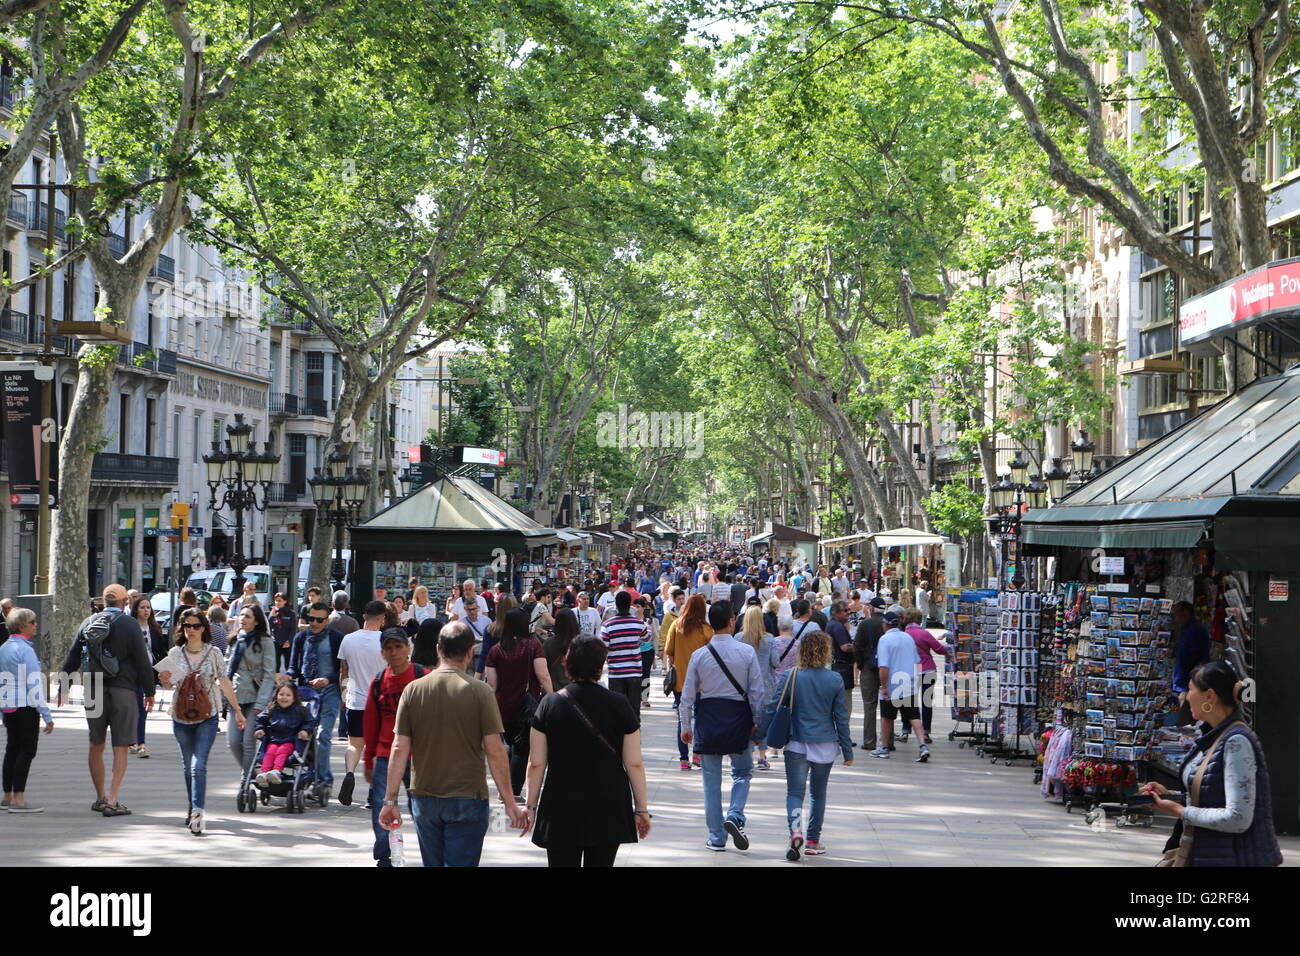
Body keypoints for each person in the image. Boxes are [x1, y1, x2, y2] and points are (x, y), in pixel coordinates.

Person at [380, 622, 528, 866]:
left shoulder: (413, 690)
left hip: (425, 797)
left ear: (438, 649)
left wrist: (390, 800)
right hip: (468, 796)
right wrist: (510, 803)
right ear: (470, 652)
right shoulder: (481, 692)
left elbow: (399, 748)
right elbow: (495, 751)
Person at [523, 636, 651, 866]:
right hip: (607, 803)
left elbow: (536, 763)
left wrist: (530, 806)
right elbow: (634, 763)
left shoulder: (550, 704)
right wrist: (641, 808)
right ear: (601, 665)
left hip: (561, 803)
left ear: (567, 663)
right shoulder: (620, 704)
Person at [1141, 661, 1283, 866]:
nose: (1187, 696)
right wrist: (1170, 798)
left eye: (1190, 690)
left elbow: (1238, 818)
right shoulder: (1214, 736)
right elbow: (1213, 796)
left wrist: (1180, 811)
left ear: (1209, 696)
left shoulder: (1236, 742)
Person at [59, 584, 155, 818]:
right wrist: (150, 691)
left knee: (96, 743)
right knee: (121, 745)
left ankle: (100, 797)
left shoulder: (87, 623)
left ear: (103, 602)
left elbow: (74, 656)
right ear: (125, 603)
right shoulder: (129, 624)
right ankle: (113, 800)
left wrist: (64, 686)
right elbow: (142, 661)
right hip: (123, 690)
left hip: (93, 689)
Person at [680, 601, 765, 852]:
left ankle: (716, 836)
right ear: (731, 621)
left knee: (710, 781)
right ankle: (735, 815)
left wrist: (685, 725)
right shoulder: (747, 653)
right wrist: (758, 724)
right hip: (738, 718)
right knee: (741, 773)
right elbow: (757, 692)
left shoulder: (699, 655)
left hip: (708, 718)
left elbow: (687, 697)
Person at [760, 630, 853, 860]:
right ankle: (812, 840)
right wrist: (848, 751)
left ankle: (795, 830)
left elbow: (773, 707)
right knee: (818, 794)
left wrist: (758, 735)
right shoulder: (834, 679)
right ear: (826, 652)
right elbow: (840, 717)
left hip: (796, 743)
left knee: (795, 792)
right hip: (825, 743)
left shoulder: (791, 675)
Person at [157, 608, 245, 835]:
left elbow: (224, 681)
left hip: (208, 715)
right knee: (188, 768)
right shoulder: (175, 654)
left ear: (204, 628)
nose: (192, 630)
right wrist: (164, 680)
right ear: (182, 628)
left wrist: (236, 710)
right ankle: (192, 805)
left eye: (196, 626)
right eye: (187, 626)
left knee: (199, 765)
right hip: (181, 716)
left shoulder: (213, 652)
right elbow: (170, 686)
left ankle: (198, 810)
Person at [362, 628, 427, 866]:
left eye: (398, 646)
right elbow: (370, 724)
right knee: (381, 805)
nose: (394, 652)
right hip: (384, 755)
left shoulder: (423, 676)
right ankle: (384, 856)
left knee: (420, 808)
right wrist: (368, 760)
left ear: (408, 648)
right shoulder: (378, 682)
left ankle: (429, 851)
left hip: (417, 756)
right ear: (382, 653)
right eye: (389, 648)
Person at [485, 608, 552, 797]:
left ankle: (504, 787)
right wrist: (552, 697)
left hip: (501, 705)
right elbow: (543, 675)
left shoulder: (495, 650)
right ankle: (513, 791)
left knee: (507, 746)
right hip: (526, 706)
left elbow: (492, 683)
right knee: (521, 749)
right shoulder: (533, 646)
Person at [286, 601, 346, 796]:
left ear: (327, 620)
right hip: (305, 693)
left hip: (329, 691)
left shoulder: (337, 638)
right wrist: (287, 676)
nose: (314, 623)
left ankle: (323, 780)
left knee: (322, 735)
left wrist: (327, 679)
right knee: (304, 735)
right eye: (311, 619)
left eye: (319, 620)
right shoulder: (301, 637)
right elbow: (293, 666)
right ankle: (310, 774)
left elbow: (342, 668)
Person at [1, 607, 54, 813]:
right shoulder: (26, 650)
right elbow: (34, 684)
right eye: (32, 622)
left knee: (12, 749)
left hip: (9, 706)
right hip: (25, 706)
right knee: (27, 750)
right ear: (22, 626)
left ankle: (6, 796)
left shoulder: (4, 648)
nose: (35, 624)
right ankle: (19, 799)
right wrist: (46, 714)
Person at [336, 600, 388, 807]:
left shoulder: (348, 640)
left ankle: (349, 773)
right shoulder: (386, 641)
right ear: (382, 619)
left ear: (364, 617)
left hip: (355, 701)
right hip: (379, 703)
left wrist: (344, 694)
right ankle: (372, 795)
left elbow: (344, 671)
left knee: (354, 745)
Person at [226, 604, 278, 776]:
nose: (242, 619)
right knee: (233, 743)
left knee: (248, 743)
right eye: (241, 615)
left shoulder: (265, 641)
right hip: (235, 698)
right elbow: (227, 669)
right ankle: (251, 775)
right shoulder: (234, 640)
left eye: (247, 616)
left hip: (255, 698)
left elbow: (269, 673)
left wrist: (262, 702)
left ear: (256, 621)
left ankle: (245, 782)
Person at [872, 610, 930, 762]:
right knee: (914, 717)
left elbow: (883, 667)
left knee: (886, 717)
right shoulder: (908, 638)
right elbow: (917, 661)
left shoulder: (884, 640)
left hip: (892, 684)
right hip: (907, 682)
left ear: (885, 624)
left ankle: (884, 748)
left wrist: (883, 686)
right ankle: (923, 746)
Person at [664, 593, 712, 771]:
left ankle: (683, 759)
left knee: (682, 719)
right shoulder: (706, 630)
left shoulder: (677, 625)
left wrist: (676, 666)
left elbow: (669, 651)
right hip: (702, 683)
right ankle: (697, 754)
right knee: (700, 718)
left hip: (680, 681)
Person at [253, 682, 317, 788]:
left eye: (288, 695)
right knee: (270, 752)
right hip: (273, 740)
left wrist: (305, 730)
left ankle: (276, 771)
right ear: (276, 695)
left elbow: (310, 722)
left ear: (294, 698)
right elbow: (259, 720)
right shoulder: (271, 709)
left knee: (281, 751)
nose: (284, 698)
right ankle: (264, 773)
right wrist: (260, 729)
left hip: (291, 742)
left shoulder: (300, 710)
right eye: (281, 694)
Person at [903, 608, 950, 743]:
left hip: (911, 671)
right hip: (928, 670)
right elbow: (939, 649)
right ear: (918, 619)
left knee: (908, 702)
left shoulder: (904, 634)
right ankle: (925, 733)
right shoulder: (924, 633)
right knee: (926, 702)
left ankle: (905, 731)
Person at [128, 594, 167, 758]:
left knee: (143, 708)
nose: (146, 610)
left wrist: (165, 670)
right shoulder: (129, 628)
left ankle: (139, 742)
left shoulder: (155, 629)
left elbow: (160, 652)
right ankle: (137, 742)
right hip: (132, 672)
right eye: (142, 607)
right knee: (135, 707)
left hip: (149, 672)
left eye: (148, 607)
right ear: (135, 610)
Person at [738, 605, 776, 769]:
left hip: (743, 686)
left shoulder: (738, 638)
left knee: (746, 721)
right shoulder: (769, 639)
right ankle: (762, 757)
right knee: (763, 722)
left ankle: (747, 754)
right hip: (765, 685)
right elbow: (776, 662)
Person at [599, 591, 649, 714]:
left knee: (616, 712)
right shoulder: (638, 623)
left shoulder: (608, 625)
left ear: (616, 605)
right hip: (634, 673)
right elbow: (647, 638)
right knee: (634, 710)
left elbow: (602, 649)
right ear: (630, 605)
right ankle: (635, 731)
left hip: (615, 674)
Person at [853, 597, 887, 750]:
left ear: (872, 609)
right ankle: (887, 741)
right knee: (888, 705)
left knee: (869, 705)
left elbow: (857, 646)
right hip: (887, 668)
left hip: (869, 666)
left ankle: (869, 741)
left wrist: (860, 665)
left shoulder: (865, 623)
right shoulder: (889, 624)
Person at [1172, 601, 1211, 721]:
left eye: (1176, 612)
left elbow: (1194, 656)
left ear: (1185, 612)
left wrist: (1189, 679)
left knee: (1185, 718)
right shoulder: (1187, 628)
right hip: (1184, 681)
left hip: (1189, 682)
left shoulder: (1195, 629)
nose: (1175, 616)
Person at [826, 600, 856, 720]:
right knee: (844, 706)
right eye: (845, 610)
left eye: (849, 610)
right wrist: (859, 646)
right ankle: (843, 737)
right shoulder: (837, 626)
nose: (848, 612)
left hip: (836, 667)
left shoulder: (832, 624)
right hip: (841, 669)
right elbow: (845, 647)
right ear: (836, 613)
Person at [543, 607, 580, 692]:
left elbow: (544, 670)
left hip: (555, 691)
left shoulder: (548, 643)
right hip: (576, 691)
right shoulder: (581, 644)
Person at [269, 592, 298, 672]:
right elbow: (268, 627)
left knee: (288, 664)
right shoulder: (273, 612)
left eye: (279, 600)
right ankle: (276, 681)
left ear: (285, 601)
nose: (277, 602)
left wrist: (289, 641)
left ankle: (288, 681)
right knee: (275, 665)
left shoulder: (291, 613)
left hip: (287, 642)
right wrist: (271, 617)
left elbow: (293, 629)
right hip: (276, 642)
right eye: (276, 601)